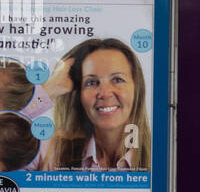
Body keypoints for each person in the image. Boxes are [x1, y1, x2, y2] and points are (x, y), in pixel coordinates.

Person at [38, 37, 152, 170]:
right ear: (78, 94)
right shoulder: (50, 150)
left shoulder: (162, 152)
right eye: (91, 82)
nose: (104, 93)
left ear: (136, 88)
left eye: (117, 79)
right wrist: (48, 90)